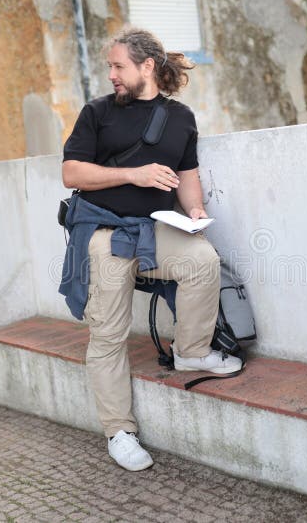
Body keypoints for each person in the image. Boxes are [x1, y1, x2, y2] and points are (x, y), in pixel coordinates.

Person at [59, 27, 242, 471]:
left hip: (154, 229)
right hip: (104, 232)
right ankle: (119, 431)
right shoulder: (97, 113)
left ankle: (192, 351)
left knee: (202, 261)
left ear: (147, 67)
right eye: (109, 67)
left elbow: (188, 172)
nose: (112, 75)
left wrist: (195, 210)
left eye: (118, 66)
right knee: (108, 334)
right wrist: (132, 175)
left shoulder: (180, 118)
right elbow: (72, 174)